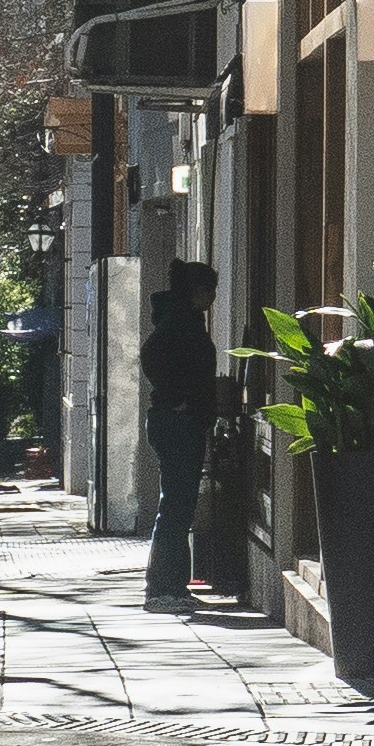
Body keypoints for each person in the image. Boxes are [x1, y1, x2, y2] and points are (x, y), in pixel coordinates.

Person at [140, 258, 220, 613]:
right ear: (196, 291)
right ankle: (163, 586)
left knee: (177, 505)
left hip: (177, 420)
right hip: (177, 423)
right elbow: (153, 358)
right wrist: (179, 400)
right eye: (209, 290)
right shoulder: (180, 325)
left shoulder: (180, 321)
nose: (213, 298)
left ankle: (172, 584)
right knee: (175, 506)